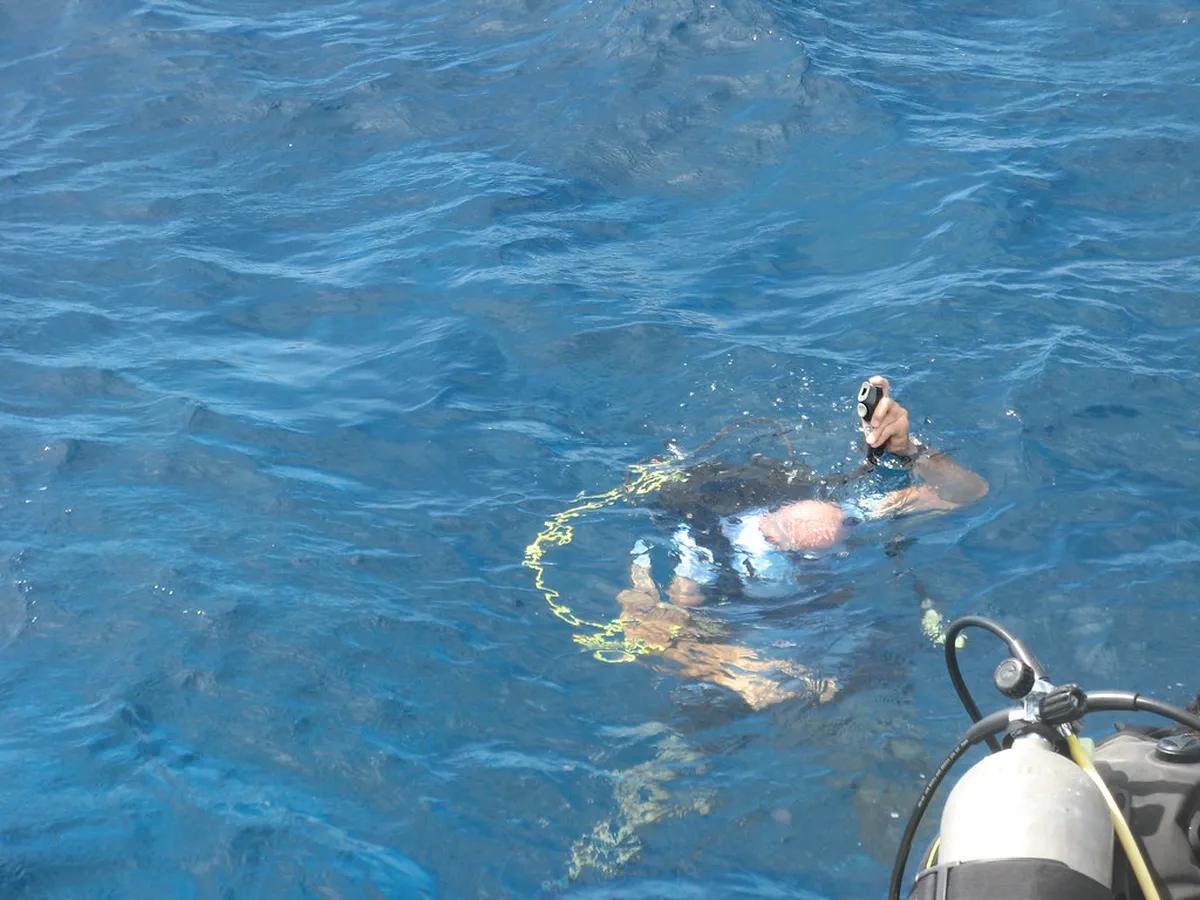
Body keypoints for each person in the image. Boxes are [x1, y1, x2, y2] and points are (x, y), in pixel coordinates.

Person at [614, 375, 989, 709]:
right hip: (753, 651)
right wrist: (735, 671)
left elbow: (968, 492)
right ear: (769, 528)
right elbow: (645, 627)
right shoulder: (705, 549)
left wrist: (910, 451)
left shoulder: (843, 514)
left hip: (832, 644)